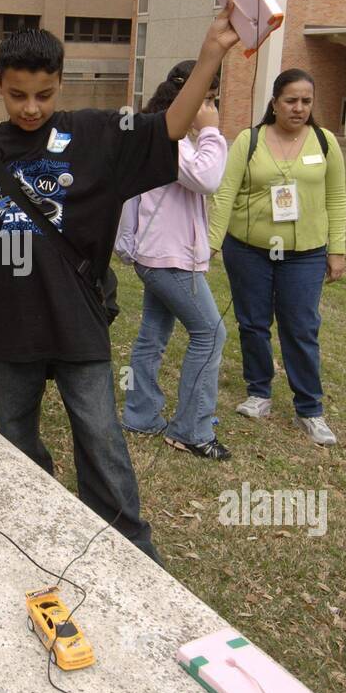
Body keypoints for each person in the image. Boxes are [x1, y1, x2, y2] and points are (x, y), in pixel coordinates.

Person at [0, 3, 239, 565]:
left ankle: (131, 550)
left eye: (45, 95)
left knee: (102, 440)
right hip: (10, 327)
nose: (32, 108)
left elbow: (170, 127)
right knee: (15, 436)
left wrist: (211, 54)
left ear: (61, 85)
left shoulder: (98, 136)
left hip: (79, 321)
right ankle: (35, 518)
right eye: (18, 95)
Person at [208, 68, 346, 447]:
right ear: (274, 103)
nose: (299, 108)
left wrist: (337, 248)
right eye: (290, 100)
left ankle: (310, 409)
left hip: (305, 254)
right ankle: (259, 392)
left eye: (306, 101)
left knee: (300, 327)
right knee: (252, 322)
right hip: (249, 250)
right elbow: (224, 193)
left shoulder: (325, 142)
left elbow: (337, 197)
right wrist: (212, 243)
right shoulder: (249, 141)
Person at [115, 63, 229, 459]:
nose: (211, 107)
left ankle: (141, 414)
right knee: (211, 334)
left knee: (153, 335)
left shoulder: (162, 132)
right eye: (208, 99)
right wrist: (212, 130)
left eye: (214, 100)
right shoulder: (169, 138)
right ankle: (191, 430)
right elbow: (207, 179)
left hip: (163, 255)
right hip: (169, 260)